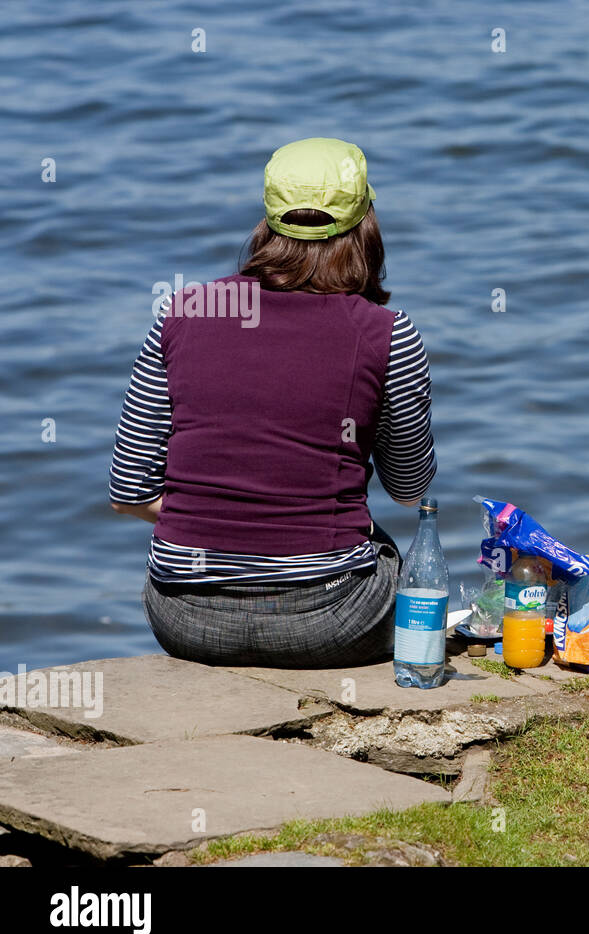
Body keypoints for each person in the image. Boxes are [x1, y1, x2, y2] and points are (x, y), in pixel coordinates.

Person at [108, 137, 434, 668]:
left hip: (185, 618)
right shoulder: (388, 333)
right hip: (329, 618)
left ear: (268, 218)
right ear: (366, 222)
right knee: (398, 559)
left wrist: (217, 523)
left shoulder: (184, 310)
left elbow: (129, 495)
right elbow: (408, 489)